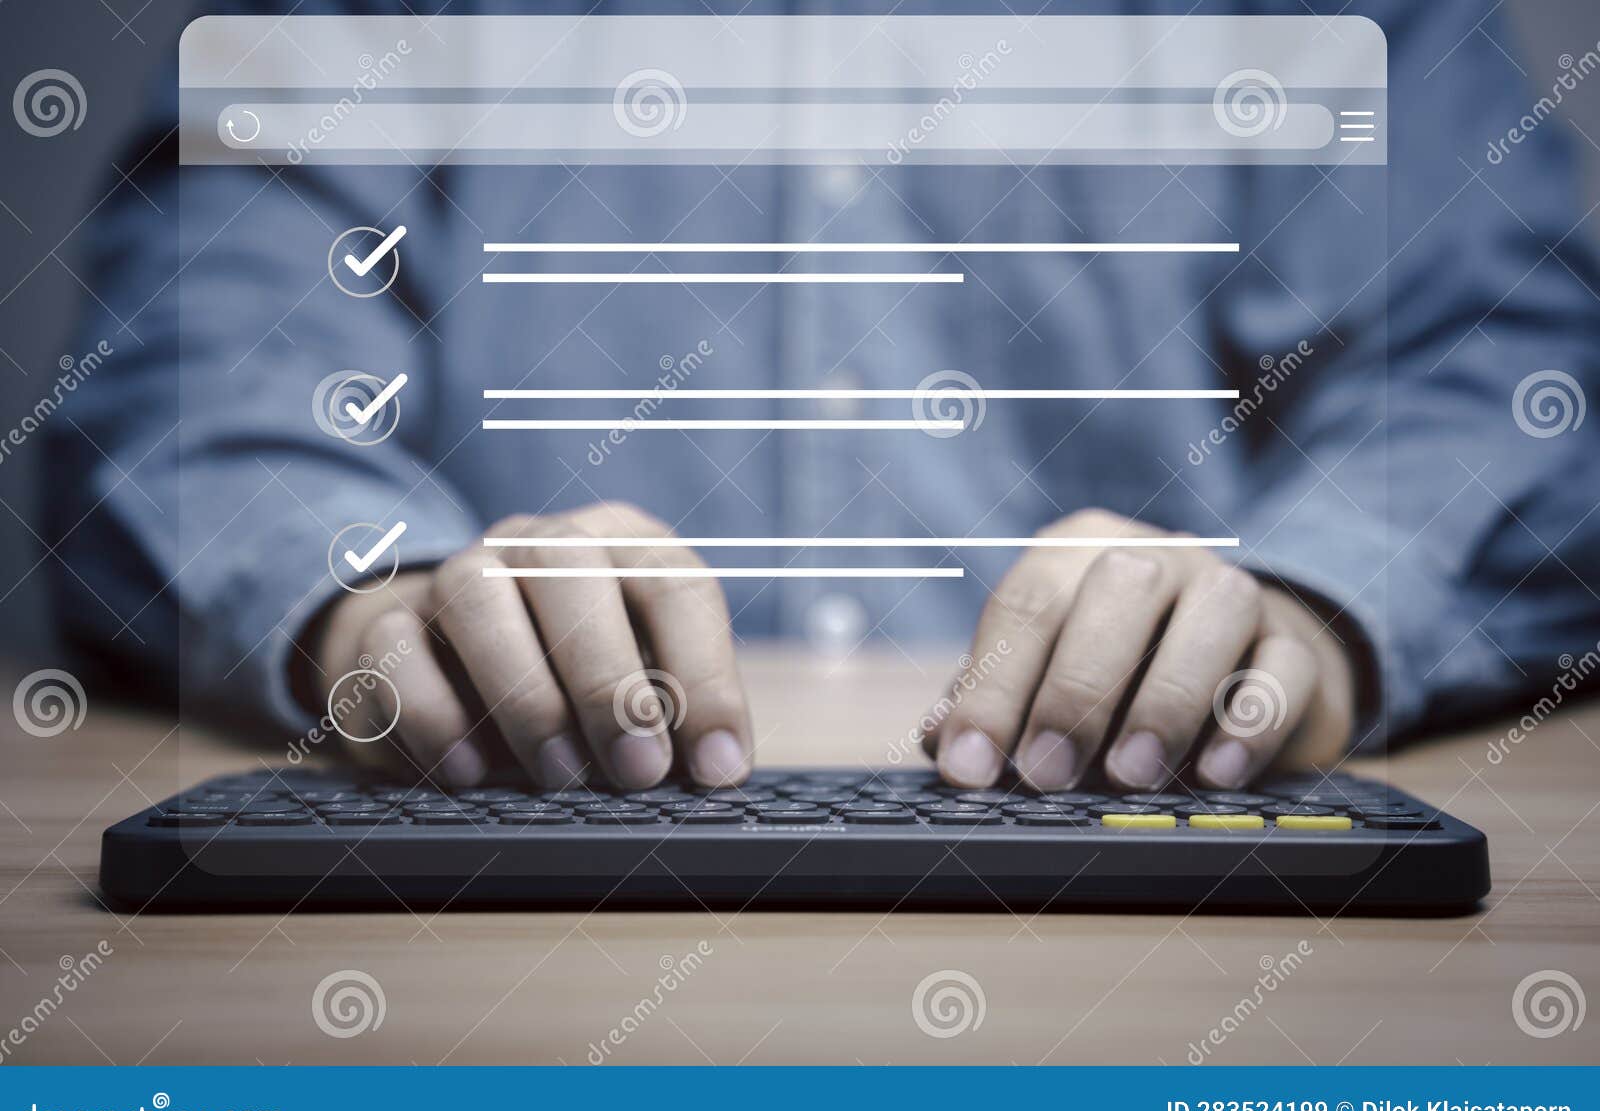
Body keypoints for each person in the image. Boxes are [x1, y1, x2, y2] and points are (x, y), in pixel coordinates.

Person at [48, 1, 1600, 798]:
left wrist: (1316, 613)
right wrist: (370, 608)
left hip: (1159, 926)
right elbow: (196, 374)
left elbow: (1508, 363)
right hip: (504, 934)